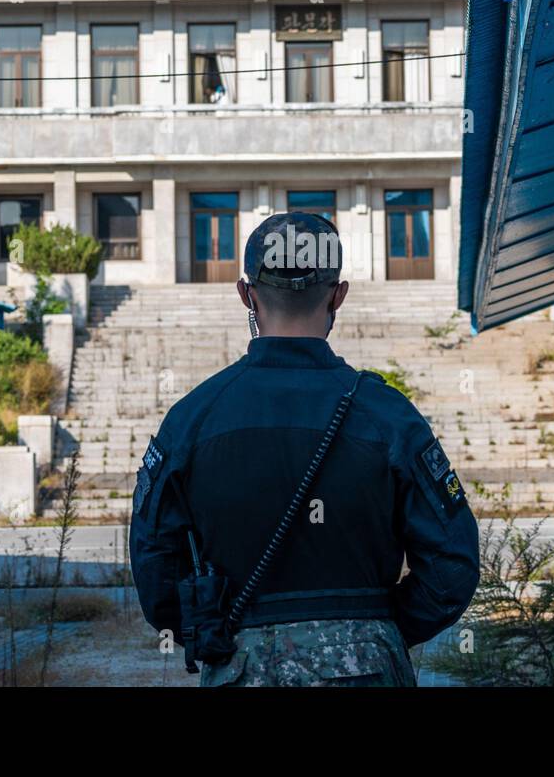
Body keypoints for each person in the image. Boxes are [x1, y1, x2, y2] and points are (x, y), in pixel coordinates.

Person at [129, 211, 480, 687]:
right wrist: (375, 628)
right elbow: (452, 567)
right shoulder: (389, 416)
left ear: (246, 294)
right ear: (339, 294)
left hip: (240, 668)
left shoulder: (192, 419)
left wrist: (216, 632)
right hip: (368, 665)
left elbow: (155, 570)